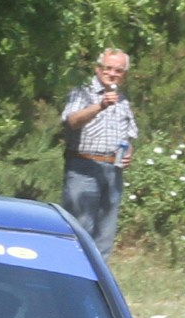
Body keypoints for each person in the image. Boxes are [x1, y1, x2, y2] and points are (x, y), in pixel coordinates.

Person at [58, 49, 135, 253]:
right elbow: (71, 121)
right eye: (107, 68)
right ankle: (72, 277)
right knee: (79, 231)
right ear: (97, 69)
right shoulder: (82, 92)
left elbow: (128, 134)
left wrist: (129, 153)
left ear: (124, 75)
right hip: (84, 168)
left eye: (118, 70)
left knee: (105, 234)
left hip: (113, 171)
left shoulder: (123, 100)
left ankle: (98, 282)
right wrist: (100, 105)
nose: (112, 73)